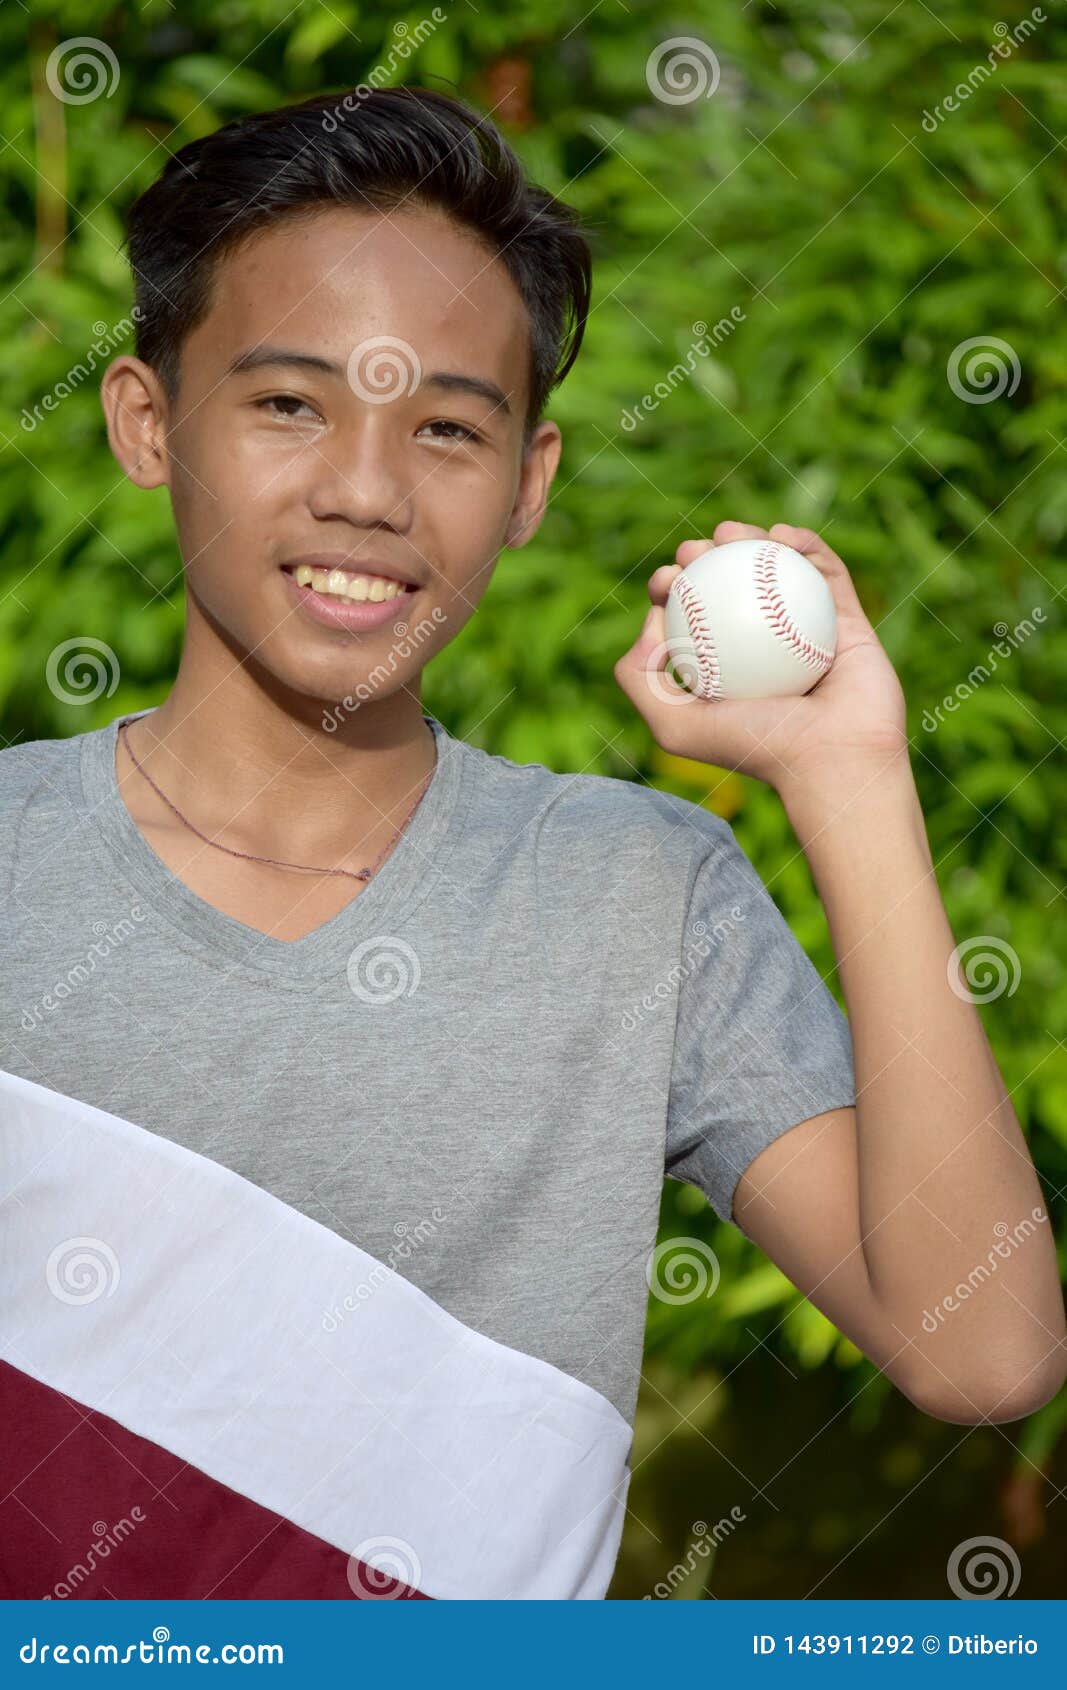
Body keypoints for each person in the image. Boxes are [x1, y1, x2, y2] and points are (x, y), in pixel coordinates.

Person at [1, 86, 1062, 1603]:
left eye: (447, 427)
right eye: (290, 403)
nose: (368, 491)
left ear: (530, 487)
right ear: (147, 421)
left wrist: (854, 778)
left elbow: (988, 1345)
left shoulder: (643, 895)